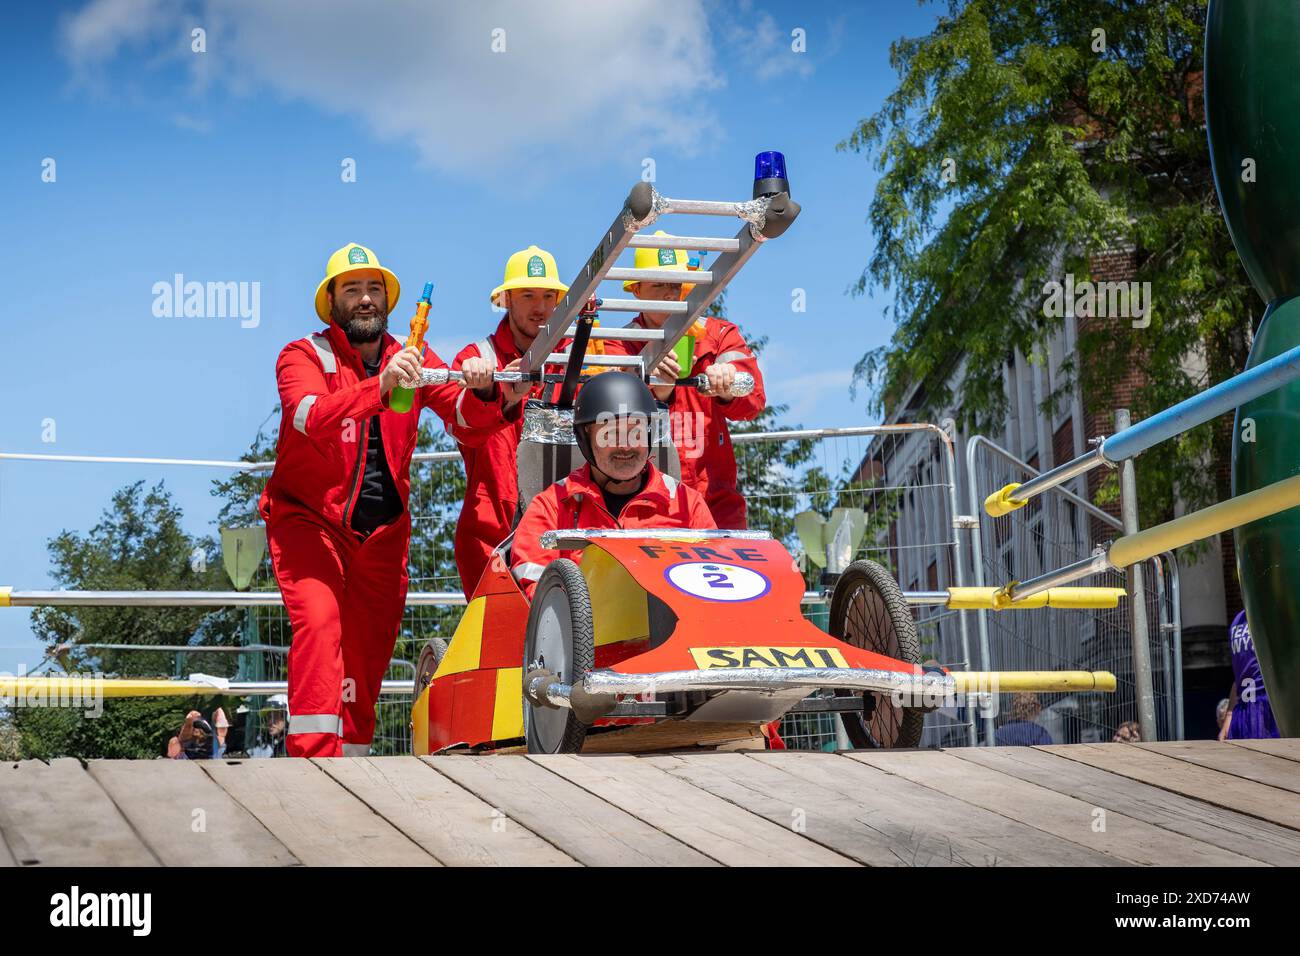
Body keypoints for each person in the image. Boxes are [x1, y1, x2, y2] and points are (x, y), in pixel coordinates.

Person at [260, 242, 516, 758]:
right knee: (321, 623)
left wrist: (484, 391)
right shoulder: (303, 355)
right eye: (351, 289)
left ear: (389, 301)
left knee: (368, 654)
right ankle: (310, 762)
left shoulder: (413, 355)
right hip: (309, 524)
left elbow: (466, 423)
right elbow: (309, 416)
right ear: (330, 302)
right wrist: (382, 386)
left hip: (383, 536)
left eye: (374, 289)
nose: (365, 299)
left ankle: (352, 766)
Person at [602, 231, 766, 528]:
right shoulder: (618, 346)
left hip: (716, 506)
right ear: (636, 289)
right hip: (645, 507)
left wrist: (728, 387)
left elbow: (753, 402)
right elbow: (607, 426)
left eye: (676, 284)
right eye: (659, 284)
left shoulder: (718, 336)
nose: (669, 294)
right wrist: (656, 396)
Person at [511, 372, 715, 598]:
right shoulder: (551, 507)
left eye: (635, 432)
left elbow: (712, 585)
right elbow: (540, 599)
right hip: (585, 632)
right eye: (612, 434)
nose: (626, 446)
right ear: (586, 438)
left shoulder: (687, 505)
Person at [451, 245, 567, 596]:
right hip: (489, 535)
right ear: (506, 300)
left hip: (560, 529)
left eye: (549, 295)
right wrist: (497, 393)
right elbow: (462, 428)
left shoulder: (574, 358)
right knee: (498, 648)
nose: (541, 307)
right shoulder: (476, 359)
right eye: (528, 295)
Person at [1219, 610, 1281, 740]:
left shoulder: (1273, 611)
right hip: (1245, 711)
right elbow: (1239, 677)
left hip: (1271, 709)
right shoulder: (1237, 622)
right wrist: (1229, 715)